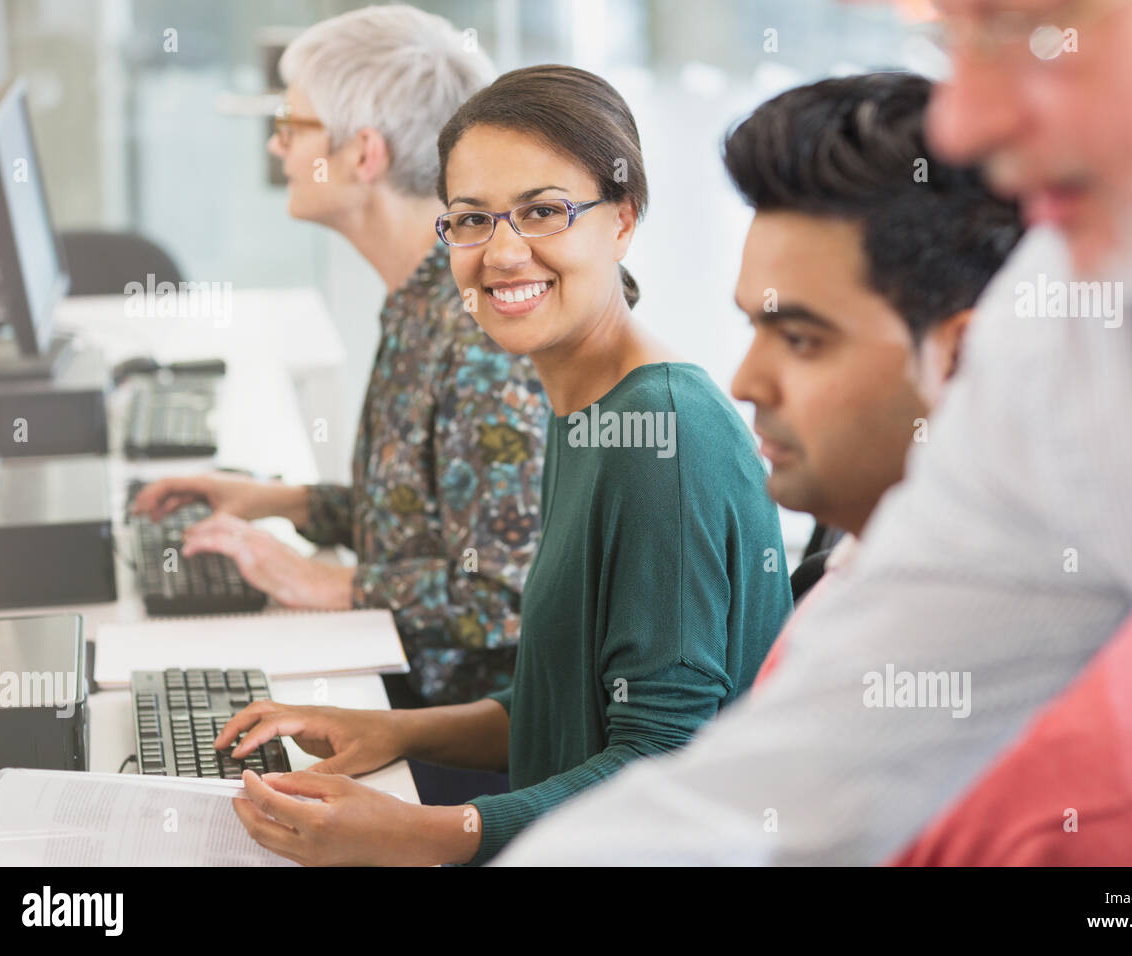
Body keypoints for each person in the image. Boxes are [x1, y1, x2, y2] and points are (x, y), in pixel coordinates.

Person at [495, 0, 1132, 865]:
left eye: (1036, 29)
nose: (966, 121)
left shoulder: (1120, 779)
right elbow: (785, 784)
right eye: (949, 37)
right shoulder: (1069, 329)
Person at [217, 65, 793, 866]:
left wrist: (418, 834)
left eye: (544, 212)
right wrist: (385, 729)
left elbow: (659, 760)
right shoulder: (582, 403)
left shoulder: (661, 435)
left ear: (622, 220)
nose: (504, 252)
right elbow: (569, 703)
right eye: (473, 220)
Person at [734, 74, 1132, 865]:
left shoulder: (1105, 779)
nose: (745, 381)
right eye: (752, 328)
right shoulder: (863, 587)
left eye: (800, 338)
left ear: (964, 356)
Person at [131, 5, 548, 709]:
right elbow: (423, 514)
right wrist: (281, 501)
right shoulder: (420, 298)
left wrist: (326, 582)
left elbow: (505, 593)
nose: (276, 147)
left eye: (292, 128)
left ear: (363, 154)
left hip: (460, 729)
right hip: (400, 682)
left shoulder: (479, 334)